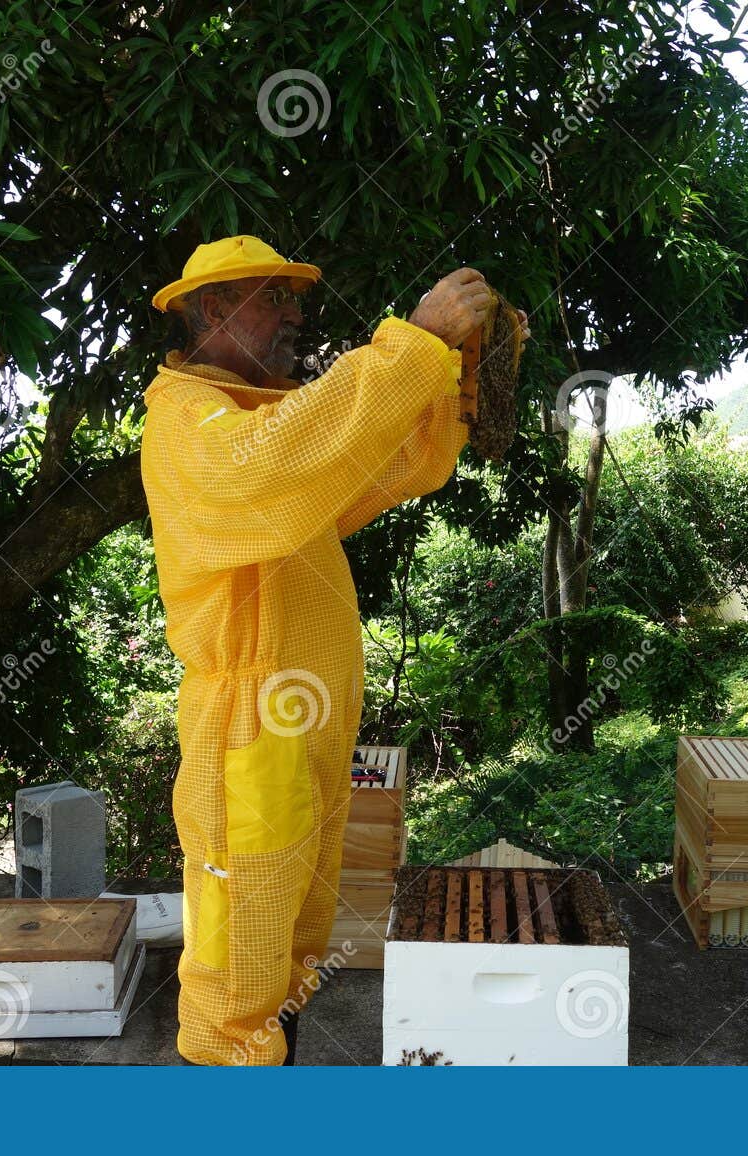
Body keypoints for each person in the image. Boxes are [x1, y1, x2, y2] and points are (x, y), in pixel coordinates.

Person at [139, 235, 530, 1064]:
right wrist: (412, 345)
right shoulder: (187, 424)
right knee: (235, 976)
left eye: (296, 298)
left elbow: (368, 462)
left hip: (301, 732)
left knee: (289, 954)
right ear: (213, 308)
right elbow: (275, 464)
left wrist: (450, 385)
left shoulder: (262, 418)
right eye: (274, 298)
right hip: (247, 736)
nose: (296, 314)